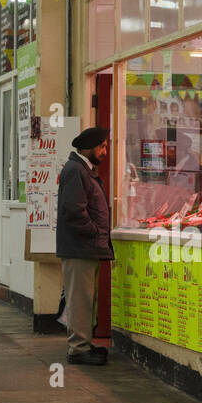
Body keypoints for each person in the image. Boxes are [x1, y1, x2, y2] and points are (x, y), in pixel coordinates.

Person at [57, 126, 113, 366]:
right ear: (88, 148)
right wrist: (95, 232)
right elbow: (74, 210)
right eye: (101, 147)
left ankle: (84, 345)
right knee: (80, 299)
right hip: (80, 247)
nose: (105, 151)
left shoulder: (84, 170)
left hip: (87, 247)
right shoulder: (75, 171)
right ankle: (78, 349)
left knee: (86, 299)